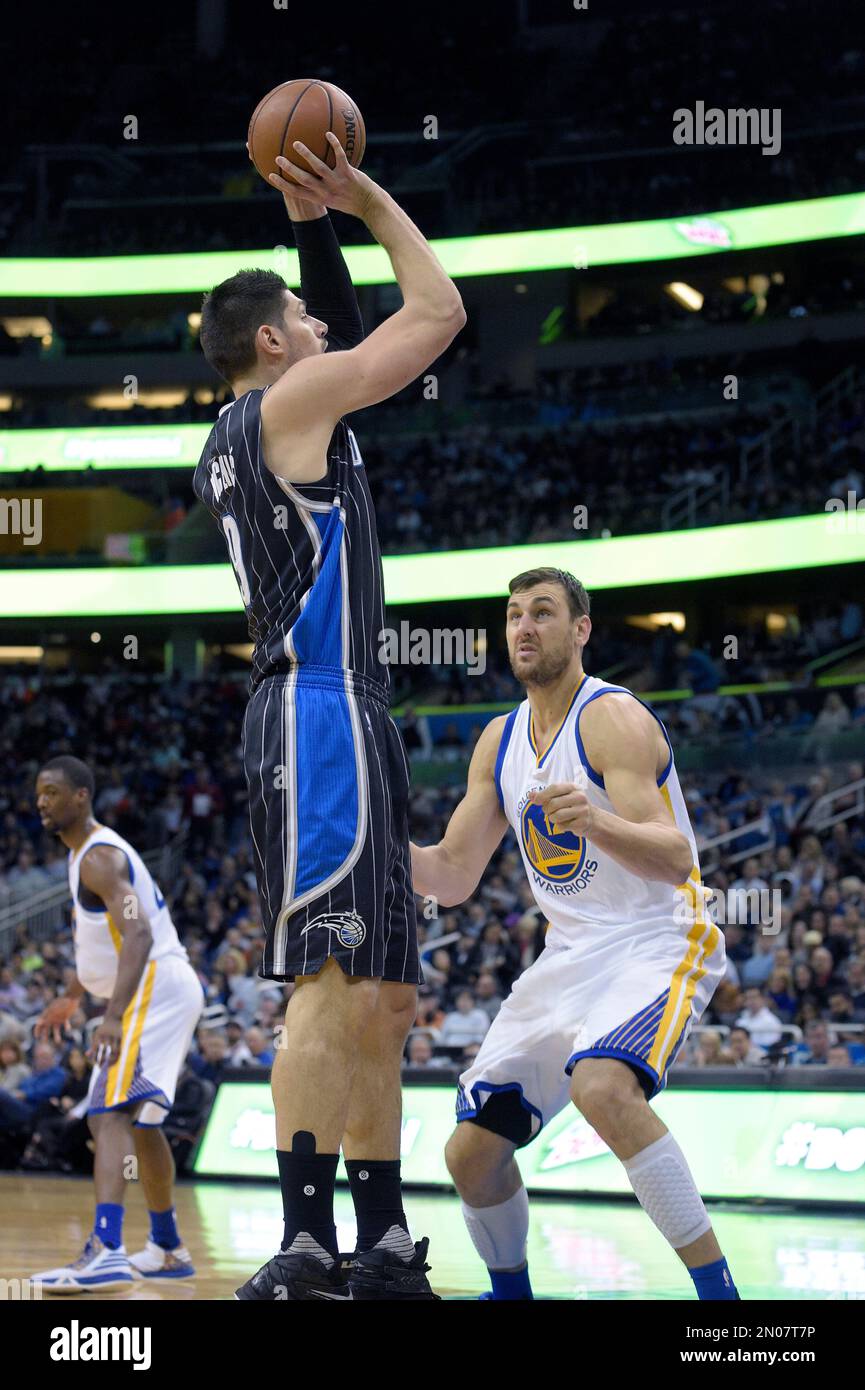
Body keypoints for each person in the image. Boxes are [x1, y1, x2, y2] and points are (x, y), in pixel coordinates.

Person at [193, 132, 465, 1302]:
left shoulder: (276, 421)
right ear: (271, 343)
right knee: (324, 981)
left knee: (382, 998)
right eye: (303, 316)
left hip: (340, 713)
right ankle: (307, 1245)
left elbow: (345, 332)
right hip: (316, 712)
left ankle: (383, 1239)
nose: (320, 328)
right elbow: (435, 311)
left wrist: (313, 227)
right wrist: (360, 196)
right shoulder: (288, 405)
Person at [412, 568, 734, 1301]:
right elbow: (453, 875)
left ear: (579, 629)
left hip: (657, 934)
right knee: (470, 1153)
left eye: (543, 613)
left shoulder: (610, 718)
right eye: (514, 615)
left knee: (601, 1088)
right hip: (569, 954)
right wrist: (367, 846)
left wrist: (593, 819)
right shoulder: (497, 741)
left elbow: (675, 856)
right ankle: (511, 1294)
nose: (524, 628)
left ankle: (722, 1304)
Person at [30, 756, 204, 1293]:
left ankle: (105, 1249)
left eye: (53, 792)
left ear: (82, 796)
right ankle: (167, 1247)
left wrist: (110, 1017)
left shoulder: (99, 857)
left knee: (107, 1114)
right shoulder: (86, 856)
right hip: (164, 988)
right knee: (141, 1122)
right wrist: (73, 994)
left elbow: (139, 934)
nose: (42, 801)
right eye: (38, 792)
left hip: (153, 986)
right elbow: (108, 938)